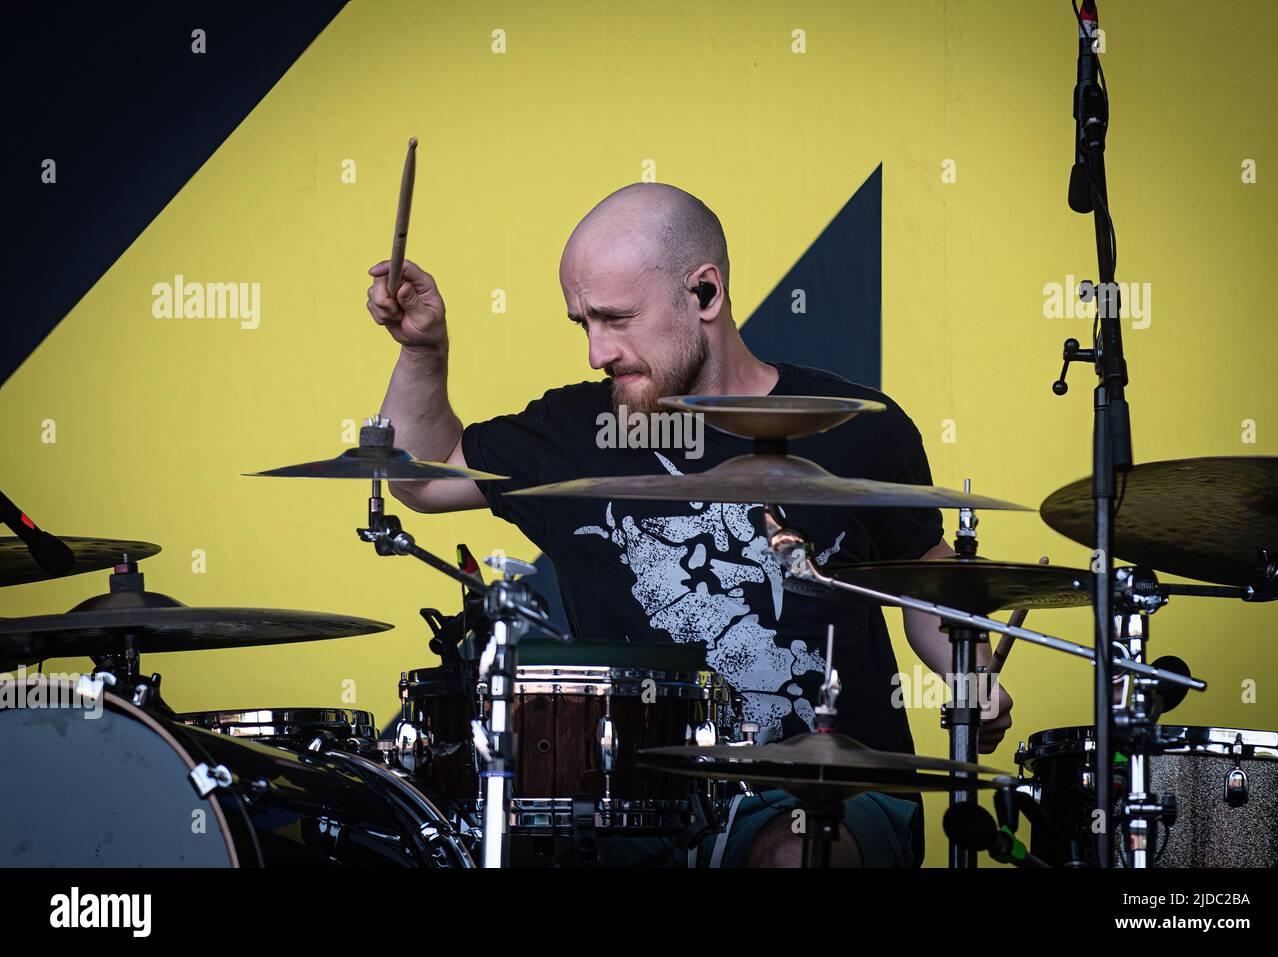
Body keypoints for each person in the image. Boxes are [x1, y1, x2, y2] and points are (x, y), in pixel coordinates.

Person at [365, 182, 1013, 867]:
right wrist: (422, 350)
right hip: (636, 803)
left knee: (793, 858)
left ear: (705, 293)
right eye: (582, 322)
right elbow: (423, 474)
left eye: (616, 318)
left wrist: (971, 677)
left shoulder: (854, 426)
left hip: (833, 791)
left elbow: (923, 590)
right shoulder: (572, 432)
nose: (596, 351)